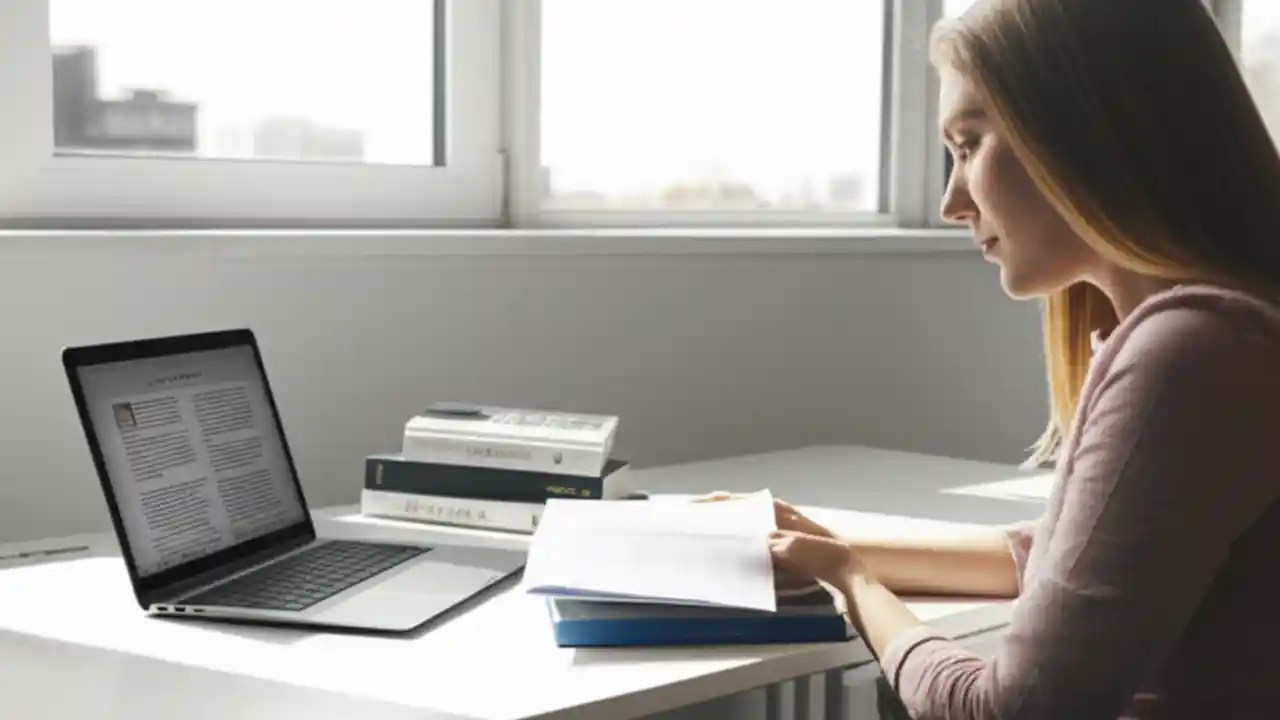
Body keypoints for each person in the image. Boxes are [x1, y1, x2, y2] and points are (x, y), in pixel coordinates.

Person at [764, 0, 1280, 717]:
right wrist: (823, 545)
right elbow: (1072, 561)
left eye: (968, 144)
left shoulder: (1190, 357)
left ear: (1084, 131)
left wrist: (854, 582)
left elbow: (1009, 711)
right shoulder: (1228, 338)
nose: (952, 201)